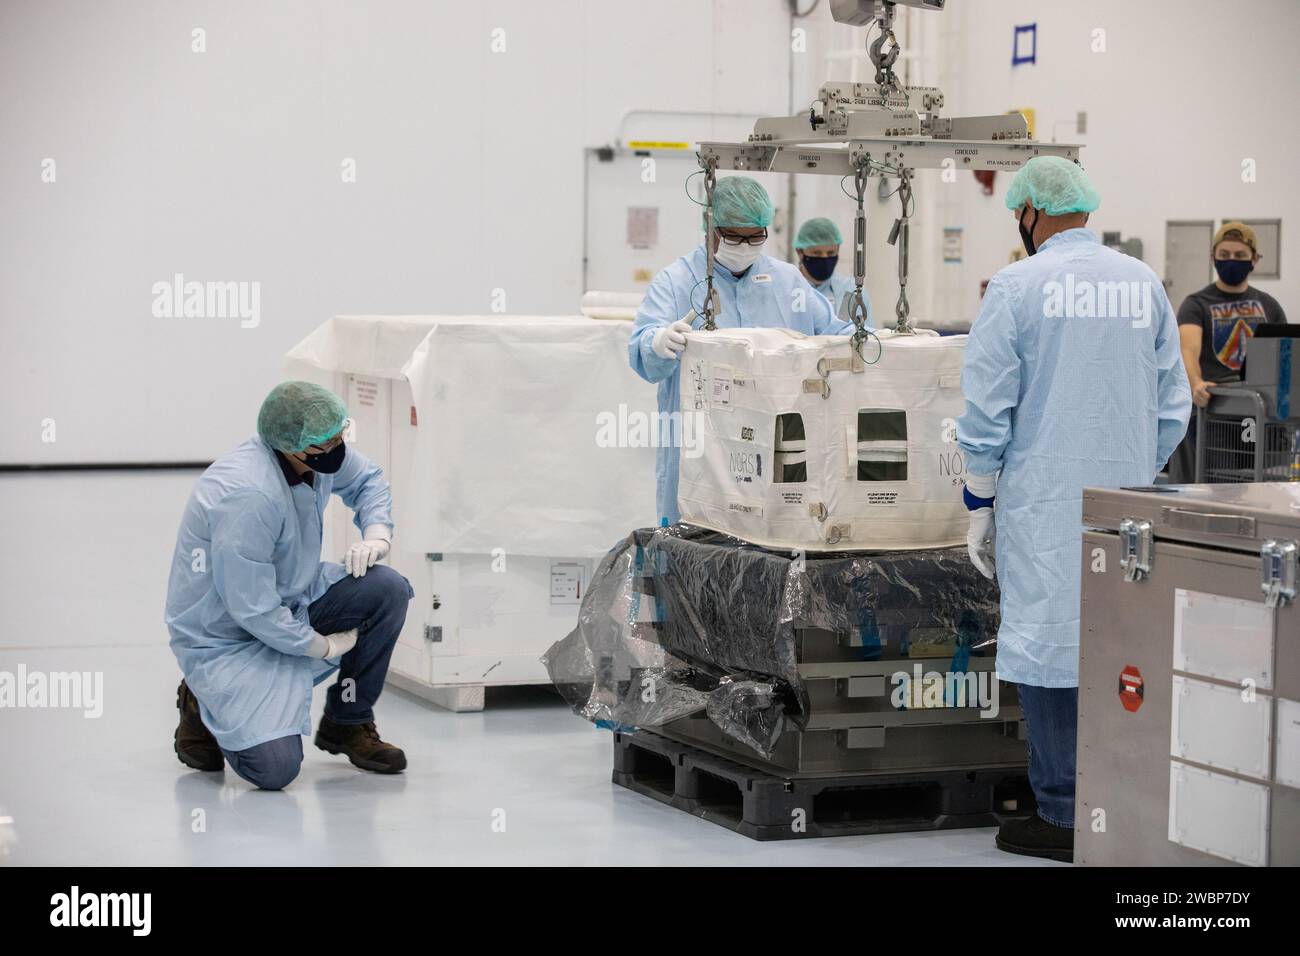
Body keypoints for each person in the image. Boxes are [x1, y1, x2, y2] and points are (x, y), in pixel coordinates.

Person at [956, 157, 1191, 862]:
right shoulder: (1142, 283)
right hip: (1129, 501)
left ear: (1028, 211)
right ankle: (1119, 801)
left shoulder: (1017, 286)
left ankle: (1060, 813)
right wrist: (1132, 467)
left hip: (1046, 501)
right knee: (1122, 641)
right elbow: (1172, 405)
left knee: (1050, 640)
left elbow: (988, 400)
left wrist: (979, 496)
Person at [166, 381, 414, 790]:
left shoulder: (312, 455)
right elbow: (253, 610)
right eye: (328, 442)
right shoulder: (248, 496)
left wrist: (377, 534)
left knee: (386, 590)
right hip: (227, 634)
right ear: (292, 446)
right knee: (274, 770)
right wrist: (323, 646)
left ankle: (347, 721)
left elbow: (367, 479)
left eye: (340, 436)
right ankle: (201, 699)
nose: (339, 447)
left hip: (291, 597)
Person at [629, 176, 857, 524]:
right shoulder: (676, 281)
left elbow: (838, 335)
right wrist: (658, 342)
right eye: (735, 236)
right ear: (710, 227)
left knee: (774, 553)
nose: (746, 246)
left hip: (778, 450)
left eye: (756, 236)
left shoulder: (788, 281)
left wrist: (874, 342)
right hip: (699, 456)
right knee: (694, 556)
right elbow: (643, 352)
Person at [1166, 221, 1287, 482]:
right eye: (1224, 255)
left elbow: (1285, 355)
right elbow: (1188, 348)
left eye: (1240, 256)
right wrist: (1196, 382)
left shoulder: (1269, 306)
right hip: (1211, 409)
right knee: (1208, 487)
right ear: (1213, 258)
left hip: (1256, 412)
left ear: (1255, 259)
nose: (1232, 260)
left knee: (1252, 487)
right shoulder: (1196, 304)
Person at [793, 216, 869, 320]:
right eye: (817, 253)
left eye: (831, 253)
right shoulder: (787, 288)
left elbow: (866, 333)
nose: (824, 258)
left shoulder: (851, 291)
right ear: (800, 252)